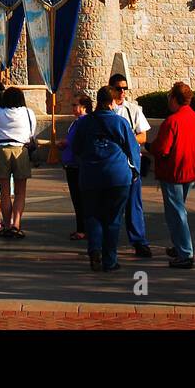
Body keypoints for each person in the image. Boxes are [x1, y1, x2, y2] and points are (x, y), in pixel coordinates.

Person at [71, 85, 139, 272]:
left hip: (91, 175)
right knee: (113, 218)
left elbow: (75, 148)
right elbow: (132, 149)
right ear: (112, 102)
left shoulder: (84, 123)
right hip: (117, 176)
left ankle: (94, 250)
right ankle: (110, 260)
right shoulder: (120, 123)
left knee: (92, 215)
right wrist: (136, 172)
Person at [148, 82, 195, 268]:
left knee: (176, 213)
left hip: (173, 173)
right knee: (179, 210)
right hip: (191, 172)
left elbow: (163, 149)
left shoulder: (172, 121)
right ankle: (179, 246)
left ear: (174, 98)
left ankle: (185, 254)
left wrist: (150, 147)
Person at [0, 86, 36, 237]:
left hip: (2, 150)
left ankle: (7, 225)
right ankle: (16, 225)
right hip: (21, 151)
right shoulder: (28, 113)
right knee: (20, 193)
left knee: (4, 194)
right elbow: (32, 132)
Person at [110, 73, 153, 258]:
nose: (122, 92)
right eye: (118, 88)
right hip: (111, 165)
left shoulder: (133, 110)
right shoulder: (105, 111)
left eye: (124, 88)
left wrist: (125, 141)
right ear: (111, 89)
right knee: (111, 205)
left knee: (134, 205)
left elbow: (143, 136)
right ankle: (107, 243)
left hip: (131, 165)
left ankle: (139, 241)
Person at [56, 93, 92, 241]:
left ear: (84, 106)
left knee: (80, 199)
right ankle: (81, 227)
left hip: (77, 165)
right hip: (72, 164)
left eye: (75, 104)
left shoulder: (83, 122)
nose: (73, 107)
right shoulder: (77, 122)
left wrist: (65, 144)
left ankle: (83, 229)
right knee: (78, 198)